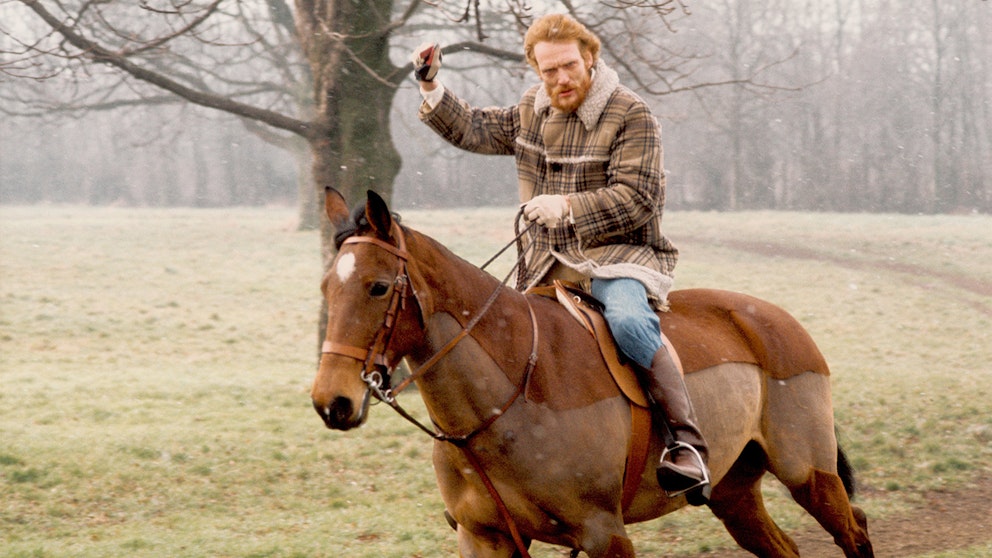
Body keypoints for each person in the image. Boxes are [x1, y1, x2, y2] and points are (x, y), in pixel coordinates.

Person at [411, 13, 710, 501]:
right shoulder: (533, 109)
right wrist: (431, 86)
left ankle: (686, 444)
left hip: (617, 257)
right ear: (536, 70)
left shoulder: (632, 114)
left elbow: (639, 199)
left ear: (590, 58)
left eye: (569, 66)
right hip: (546, 263)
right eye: (549, 71)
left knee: (631, 324)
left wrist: (567, 207)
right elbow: (477, 129)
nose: (561, 79)